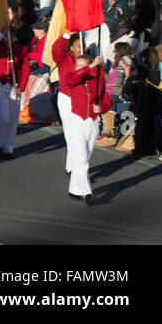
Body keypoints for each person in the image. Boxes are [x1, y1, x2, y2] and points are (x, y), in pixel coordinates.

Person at [51, 34, 110, 204]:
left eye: (82, 46)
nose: (80, 48)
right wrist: (68, 32)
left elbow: (104, 96)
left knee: (87, 154)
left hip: (92, 120)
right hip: (75, 114)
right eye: (77, 45)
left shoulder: (96, 75)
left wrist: (102, 107)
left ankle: (75, 189)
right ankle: (87, 192)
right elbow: (72, 78)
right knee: (80, 156)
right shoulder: (70, 70)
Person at [0, 16, 29, 159]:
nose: (7, 36)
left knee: (14, 119)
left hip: (14, 87)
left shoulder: (20, 50)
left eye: (10, 34)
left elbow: (25, 70)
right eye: (5, 34)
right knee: (4, 117)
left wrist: (20, 87)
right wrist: (0, 34)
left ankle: (8, 147)